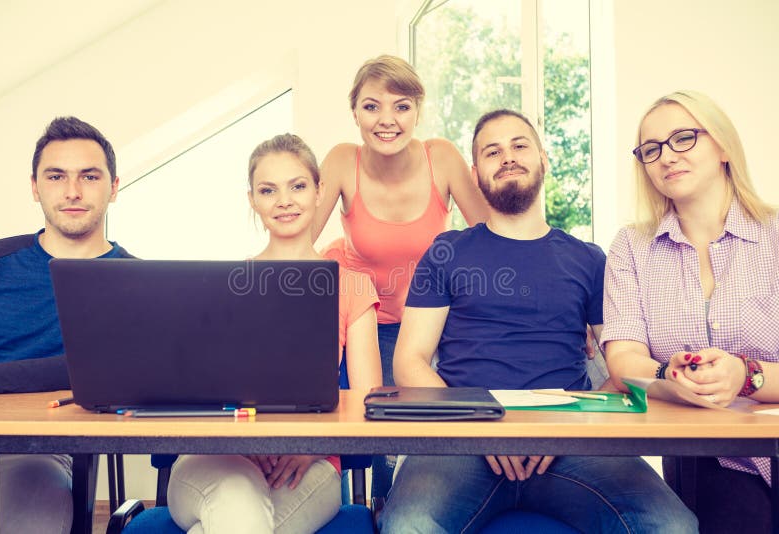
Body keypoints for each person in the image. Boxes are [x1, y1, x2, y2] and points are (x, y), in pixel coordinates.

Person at [378, 109, 697, 533]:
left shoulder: (589, 259)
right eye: (492, 151)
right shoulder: (447, 251)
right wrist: (482, 426)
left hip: (570, 444)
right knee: (407, 526)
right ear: (476, 174)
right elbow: (410, 361)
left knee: (670, 525)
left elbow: (624, 365)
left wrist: (571, 427)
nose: (507, 157)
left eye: (519, 145)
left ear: (543, 159)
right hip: (461, 438)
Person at [167, 134, 382, 534]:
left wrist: (308, 448)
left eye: (297, 186)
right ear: (253, 200)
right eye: (269, 190)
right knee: (235, 502)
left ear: (319, 191)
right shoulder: (224, 284)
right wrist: (244, 444)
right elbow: (197, 390)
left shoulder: (352, 287)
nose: (284, 201)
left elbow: (367, 403)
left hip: (311, 466)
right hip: (215, 459)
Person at [602, 90, 778, 533]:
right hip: (709, 456)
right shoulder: (631, 247)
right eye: (651, 149)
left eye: (683, 138)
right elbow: (624, 361)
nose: (667, 157)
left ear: (721, 146)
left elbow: (750, 376)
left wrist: (746, 374)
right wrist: (667, 376)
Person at [0, 116, 132, 533]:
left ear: (114, 187)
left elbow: (106, 371)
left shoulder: (139, 285)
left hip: (33, 451)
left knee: (34, 511)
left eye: (89, 176)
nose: (72, 191)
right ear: (35, 187)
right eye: (56, 176)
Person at [313, 54, 489, 386]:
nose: (387, 120)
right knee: (360, 424)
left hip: (429, 325)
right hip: (362, 325)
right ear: (355, 113)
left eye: (402, 107)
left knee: (426, 424)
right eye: (371, 107)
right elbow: (296, 241)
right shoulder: (342, 160)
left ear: (418, 112)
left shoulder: (442, 157)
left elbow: (493, 239)